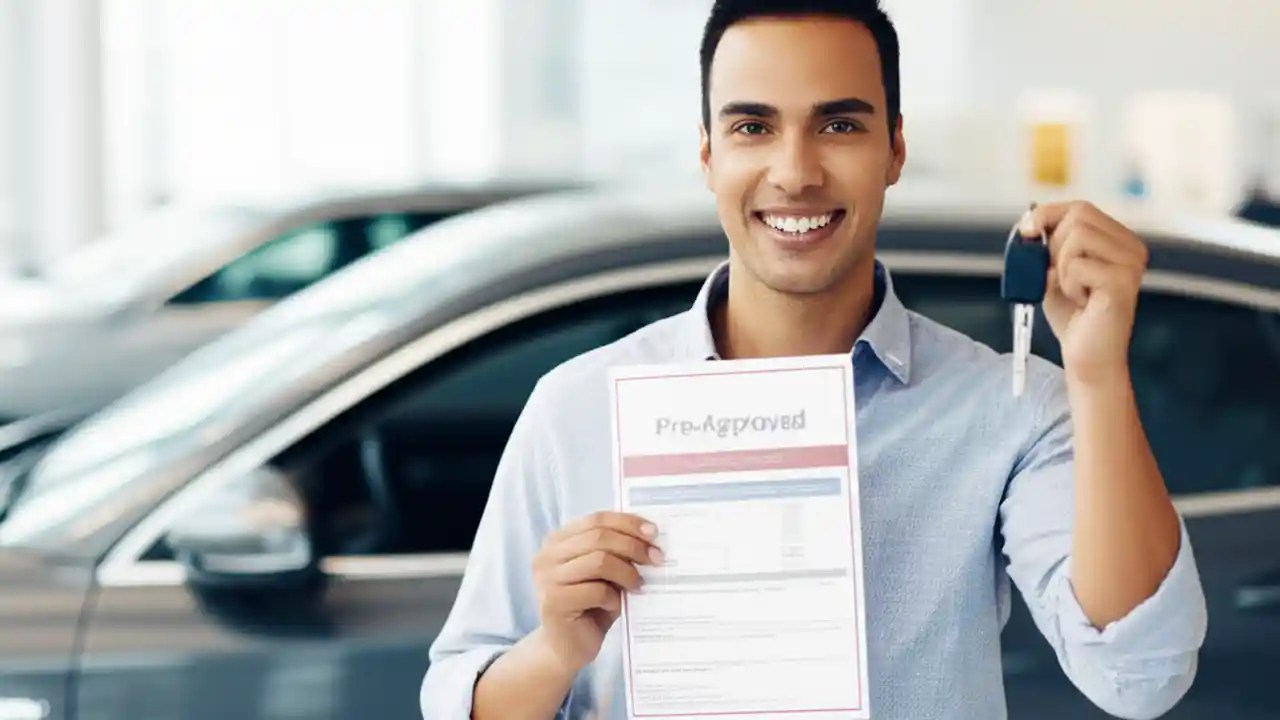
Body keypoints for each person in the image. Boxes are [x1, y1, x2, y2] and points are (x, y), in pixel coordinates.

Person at [421, 1, 1208, 718]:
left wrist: (1098, 370)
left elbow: (1138, 677)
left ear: (895, 149)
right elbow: (463, 698)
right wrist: (556, 651)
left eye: (838, 125)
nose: (795, 172)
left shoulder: (1011, 406)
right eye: (752, 127)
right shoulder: (576, 408)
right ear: (707, 155)